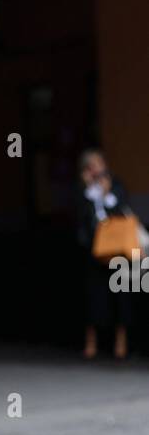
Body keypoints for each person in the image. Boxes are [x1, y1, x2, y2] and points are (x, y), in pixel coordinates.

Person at [74, 148, 135, 361]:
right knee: (93, 296)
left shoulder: (115, 185)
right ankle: (91, 342)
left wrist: (107, 193)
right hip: (94, 250)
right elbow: (80, 218)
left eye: (98, 164)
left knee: (121, 296)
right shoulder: (83, 191)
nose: (96, 169)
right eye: (90, 166)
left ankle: (121, 341)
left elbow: (123, 209)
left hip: (117, 250)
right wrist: (88, 189)